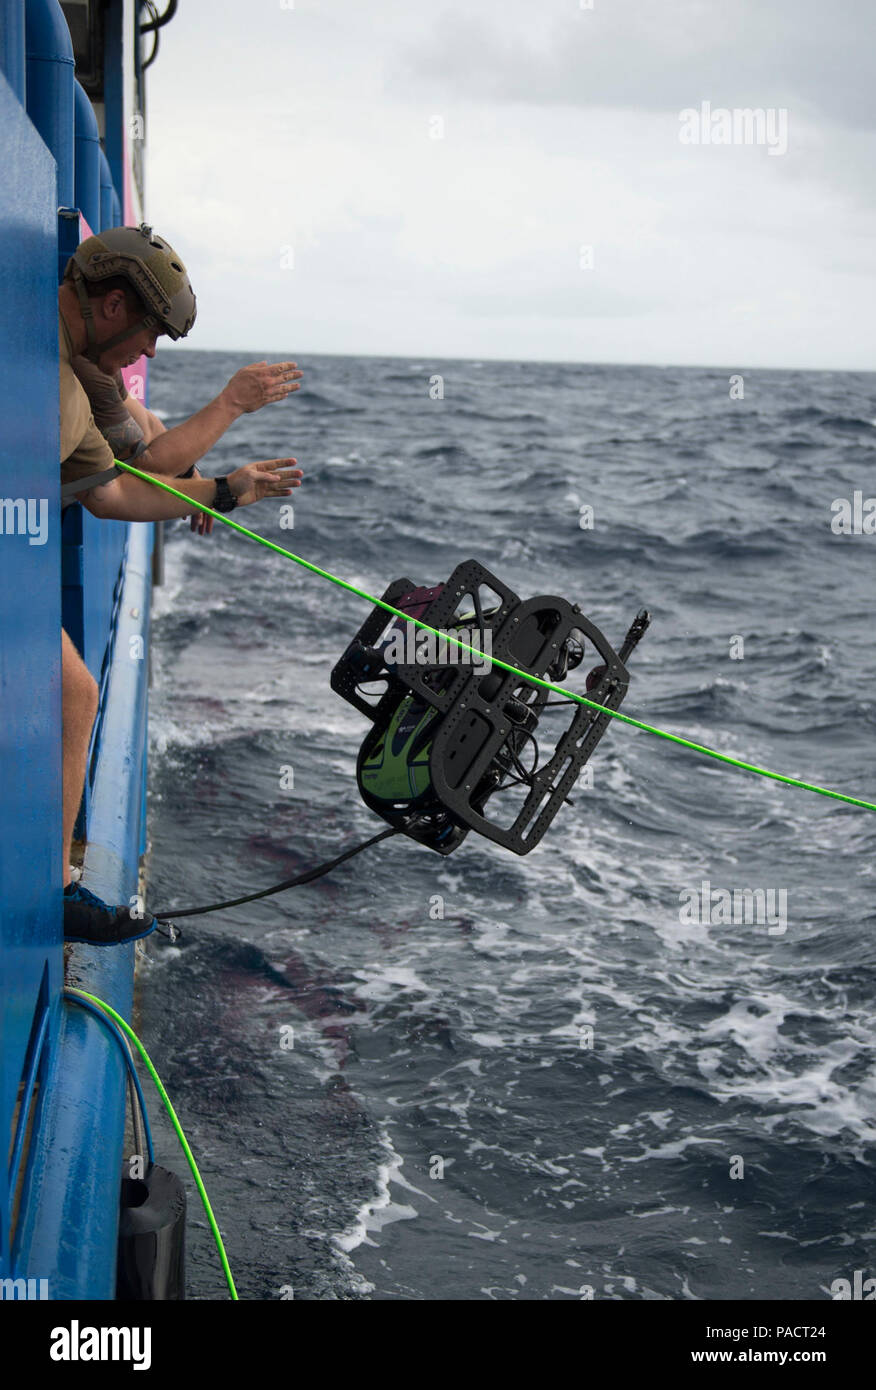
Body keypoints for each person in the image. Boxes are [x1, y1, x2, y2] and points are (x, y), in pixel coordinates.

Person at [60, 223, 303, 945]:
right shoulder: (65, 385)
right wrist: (223, 485)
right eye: (149, 333)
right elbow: (120, 495)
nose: (150, 352)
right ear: (111, 308)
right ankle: (55, 893)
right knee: (75, 695)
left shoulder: (86, 372)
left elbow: (150, 454)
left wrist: (210, 486)